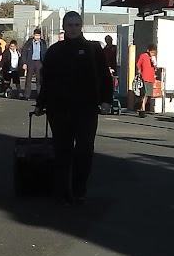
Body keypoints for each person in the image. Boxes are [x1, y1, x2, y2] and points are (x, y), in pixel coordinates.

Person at [34, 11, 114, 203]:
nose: (73, 28)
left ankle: (79, 190)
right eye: (70, 25)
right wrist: (40, 104)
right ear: (64, 27)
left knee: (85, 149)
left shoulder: (93, 49)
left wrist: (106, 100)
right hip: (59, 108)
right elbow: (47, 81)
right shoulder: (54, 51)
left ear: (81, 26)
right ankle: (62, 191)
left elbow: (105, 76)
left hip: (87, 108)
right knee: (62, 150)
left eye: (77, 25)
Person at [133, 45, 158, 117]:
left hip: (151, 77)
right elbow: (138, 64)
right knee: (144, 93)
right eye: (152, 52)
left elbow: (155, 67)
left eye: (154, 53)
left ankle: (141, 109)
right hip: (144, 77)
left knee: (148, 94)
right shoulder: (143, 56)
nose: (153, 54)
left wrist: (154, 63)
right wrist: (139, 70)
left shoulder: (153, 58)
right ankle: (143, 108)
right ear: (148, 51)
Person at [22, 27, 45, 98]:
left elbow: (45, 52)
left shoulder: (43, 43)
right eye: (36, 35)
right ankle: (26, 95)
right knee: (28, 79)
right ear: (33, 35)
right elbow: (24, 53)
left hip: (39, 62)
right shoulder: (29, 43)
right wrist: (24, 63)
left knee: (39, 79)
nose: (37, 37)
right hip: (31, 61)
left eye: (38, 35)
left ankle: (40, 95)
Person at [3, 33, 24, 97]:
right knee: (7, 82)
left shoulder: (17, 52)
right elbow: (4, 60)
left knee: (17, 82)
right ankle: (6, 92)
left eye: (13, 46)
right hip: (9, 69)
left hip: (16, 70)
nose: (12, 47)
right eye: (11, 46)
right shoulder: (7, 52)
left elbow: (20, 59)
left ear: (15, 46)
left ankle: (20, 93)